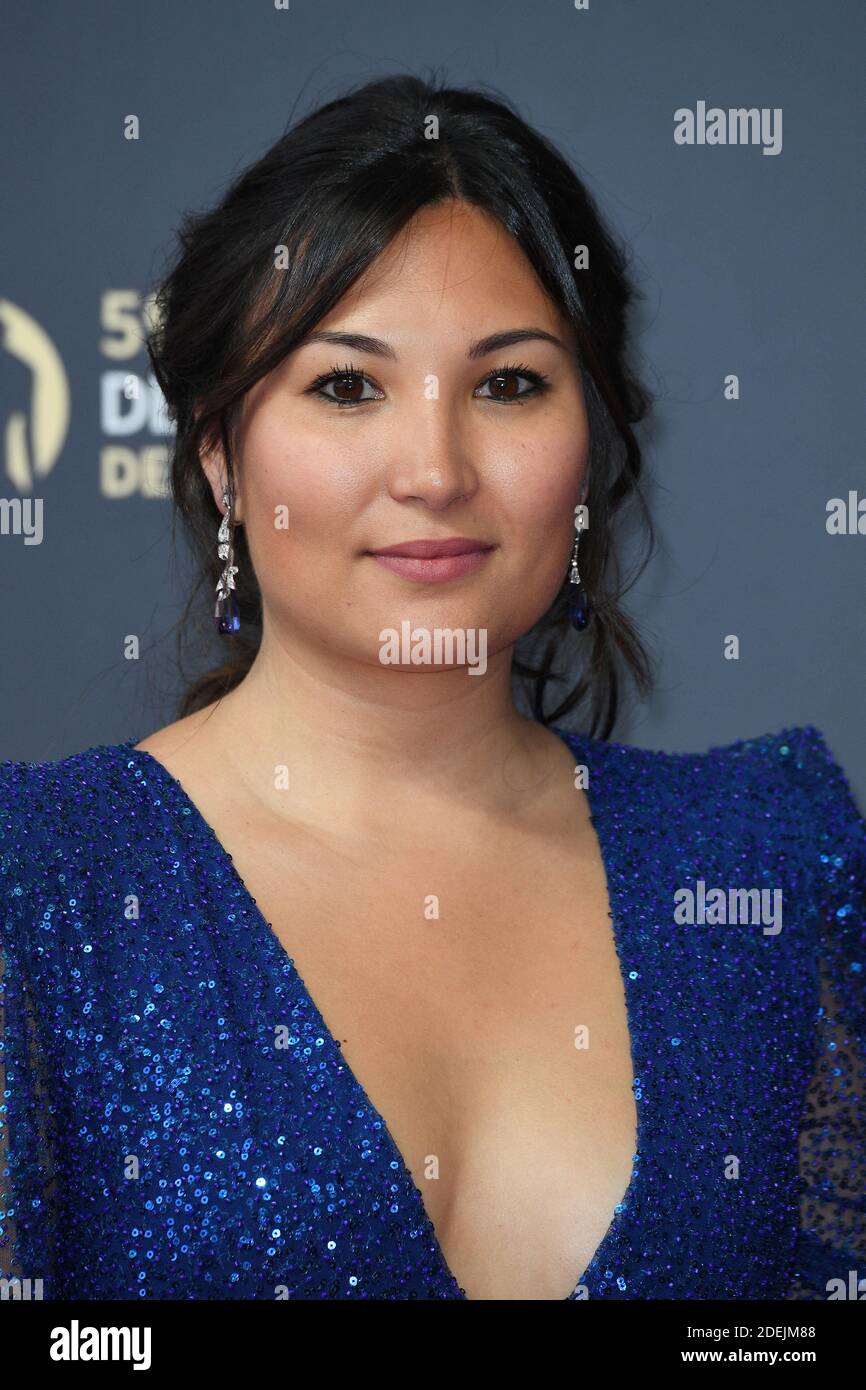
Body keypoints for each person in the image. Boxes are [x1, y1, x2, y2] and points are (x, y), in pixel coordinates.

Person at [1, 73, 863, 1302]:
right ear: (218, 456)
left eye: (507, 383)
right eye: (346, 385)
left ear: (592, 439)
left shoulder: (766, 857)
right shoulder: (40, 886)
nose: (435, 468)